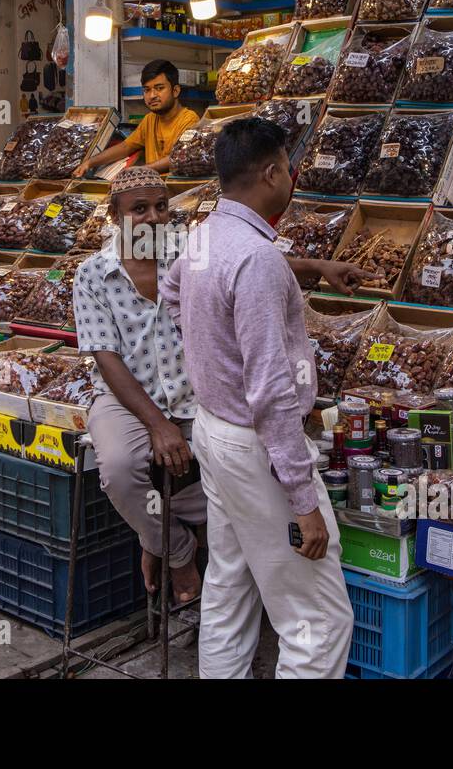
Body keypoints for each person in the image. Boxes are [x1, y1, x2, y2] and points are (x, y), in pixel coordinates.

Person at [74, 165, 371, 607]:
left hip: (197, 395)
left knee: (239, 464)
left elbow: (252, 265)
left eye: (161, 206)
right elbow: (106, 358)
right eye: (140, 209)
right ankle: (175, 550)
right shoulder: (93, 274)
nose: (155, 217)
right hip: (127, 400)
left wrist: (318, 267)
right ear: (115, 216)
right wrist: (157, 425)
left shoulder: (186, 250)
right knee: (118, 467)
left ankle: (177, 540)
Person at [162, 117, 354, 679]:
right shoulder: (257, 258)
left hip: (213, 431)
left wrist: (209, 351)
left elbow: (174, 291)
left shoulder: (206, 234)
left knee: (229, 586)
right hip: (254, 449)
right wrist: (302, 501)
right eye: (289, 168)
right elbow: (272, 395)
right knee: (317, 624)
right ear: (273, 172)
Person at [72, 60, 197, 177]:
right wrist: (89, 163)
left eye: (159, 88)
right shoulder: (150, 120)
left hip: (176, 190)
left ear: (175, 91)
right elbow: (125, 147)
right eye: (147, 90)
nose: (152, 95)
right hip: (150, 187)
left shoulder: (189, 120)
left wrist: (139, 170)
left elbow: (178, 157)